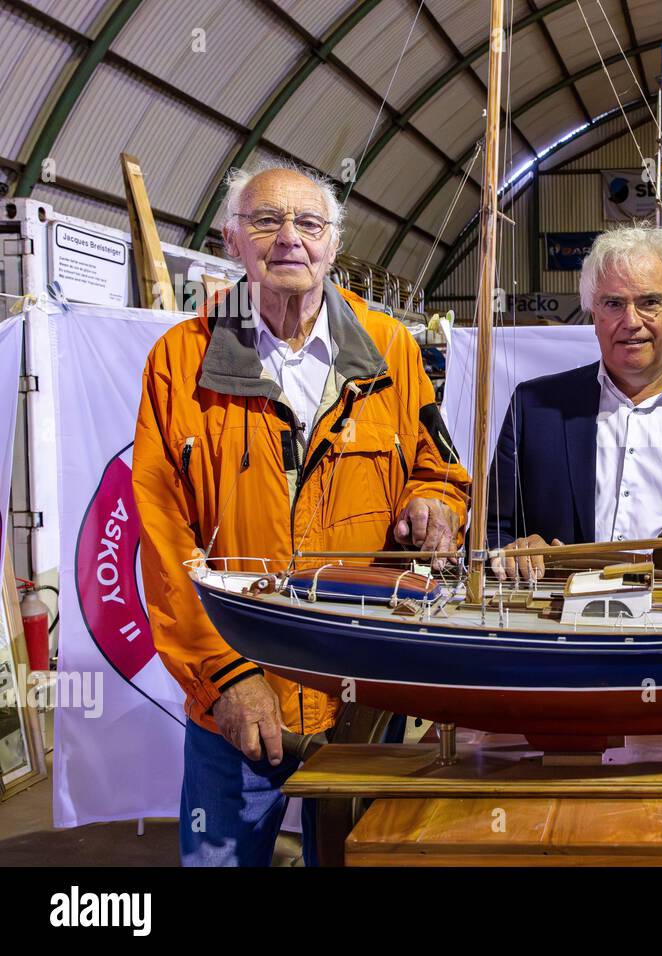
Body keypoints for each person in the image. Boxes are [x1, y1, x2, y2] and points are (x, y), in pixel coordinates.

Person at [133, 160, 471, 866]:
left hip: (366, 694)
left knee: (363, 860)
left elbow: (440, 471)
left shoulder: (391, 350)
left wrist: (434, 505)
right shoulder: (181, 360)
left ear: (332, 244)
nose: (289, 238)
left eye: (309, 223)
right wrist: (227, 677)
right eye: (265, 220)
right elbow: (165, 539)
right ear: (232, 241)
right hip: (237, 703)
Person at [487, 225, 662, 579]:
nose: (631, 322)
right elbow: (491, 533)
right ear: (593, 314)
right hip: (561, 623)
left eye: (649, 302)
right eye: (613, 304)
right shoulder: (535, 408)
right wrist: (514, 552)